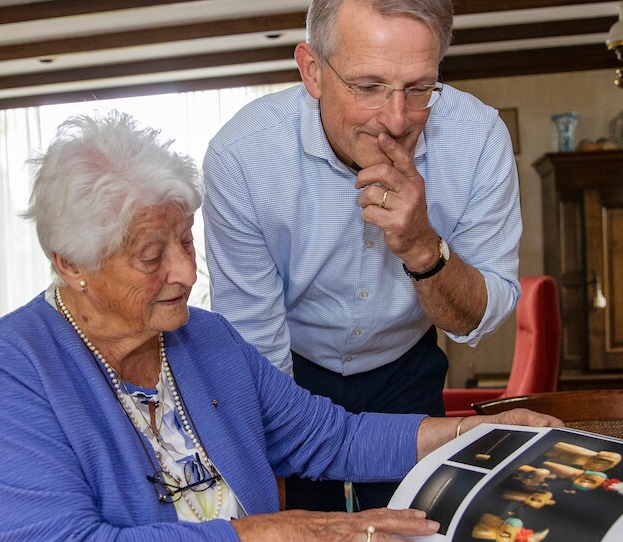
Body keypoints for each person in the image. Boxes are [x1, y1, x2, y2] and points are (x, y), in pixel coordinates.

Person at [0, 112, 558, 542]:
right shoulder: (7, 368)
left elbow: (331, 438)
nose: (185, 272)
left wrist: (470, 435)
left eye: (187, 241)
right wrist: (284, 534)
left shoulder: (205, 340)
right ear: (70, 263)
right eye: (152, 256)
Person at [203, 0, 523, 512]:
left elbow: (479, 322)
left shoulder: (479, 140)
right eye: (368, 87)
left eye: (420, 89)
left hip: (405, 366)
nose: (396, 121)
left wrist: (423, 247)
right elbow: (255, 342)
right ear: (311, 70)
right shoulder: (241, 155)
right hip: (290, 371)